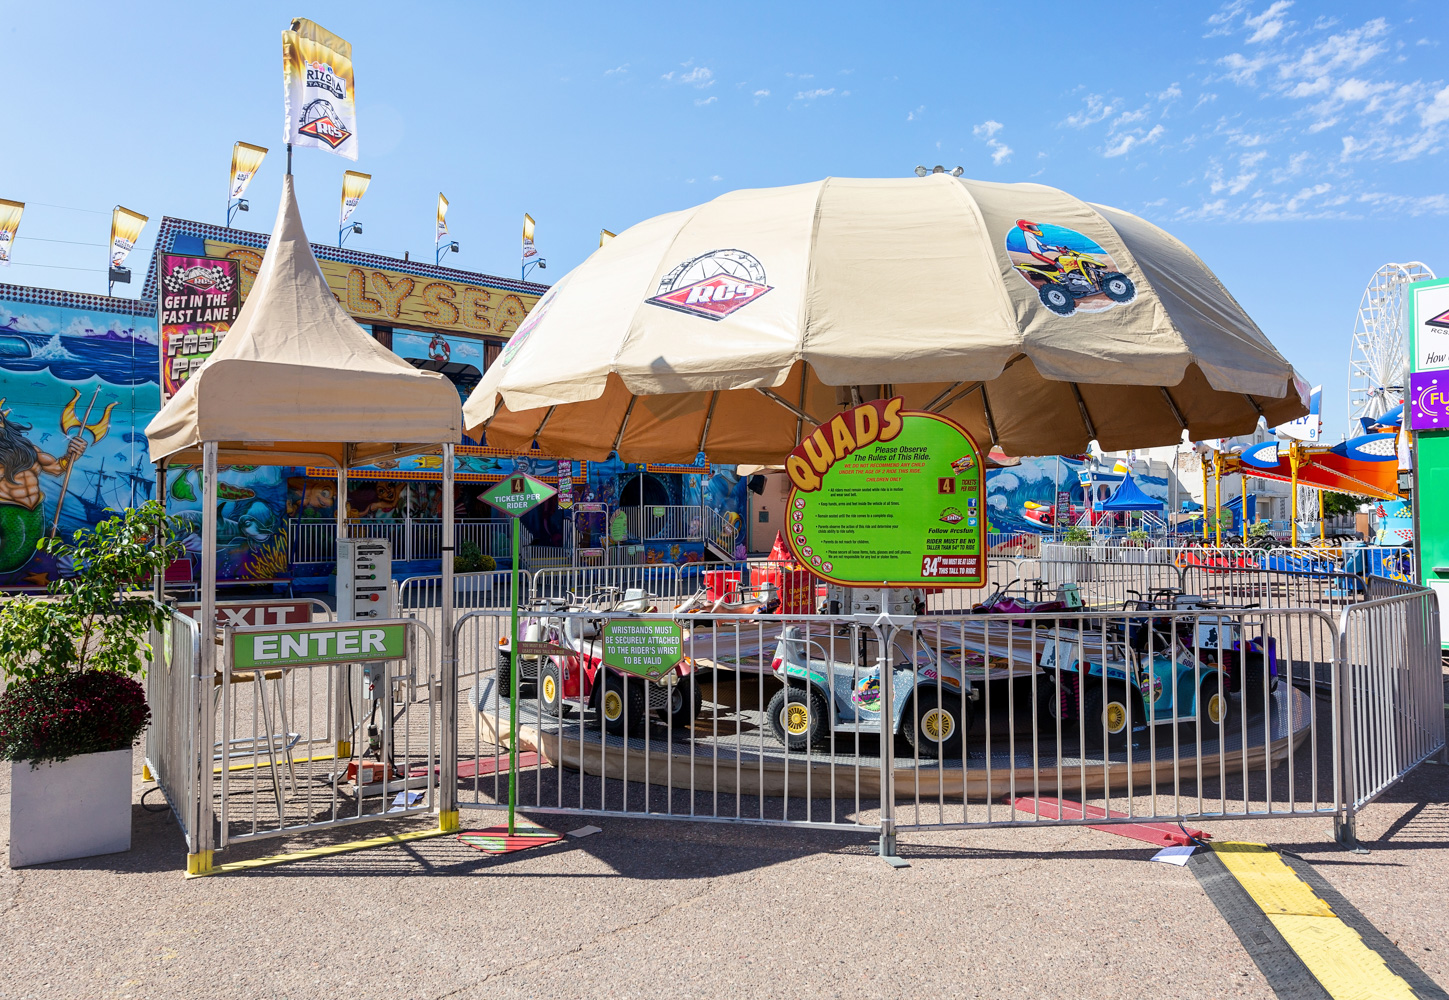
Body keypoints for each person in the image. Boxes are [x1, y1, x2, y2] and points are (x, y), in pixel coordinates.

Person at [0, 408, 87, 573]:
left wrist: (72, 455)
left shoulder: (29, 448)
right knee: (13, 556)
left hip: (35, 510)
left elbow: (55, 468)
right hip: (7, 510)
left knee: (25, 551)